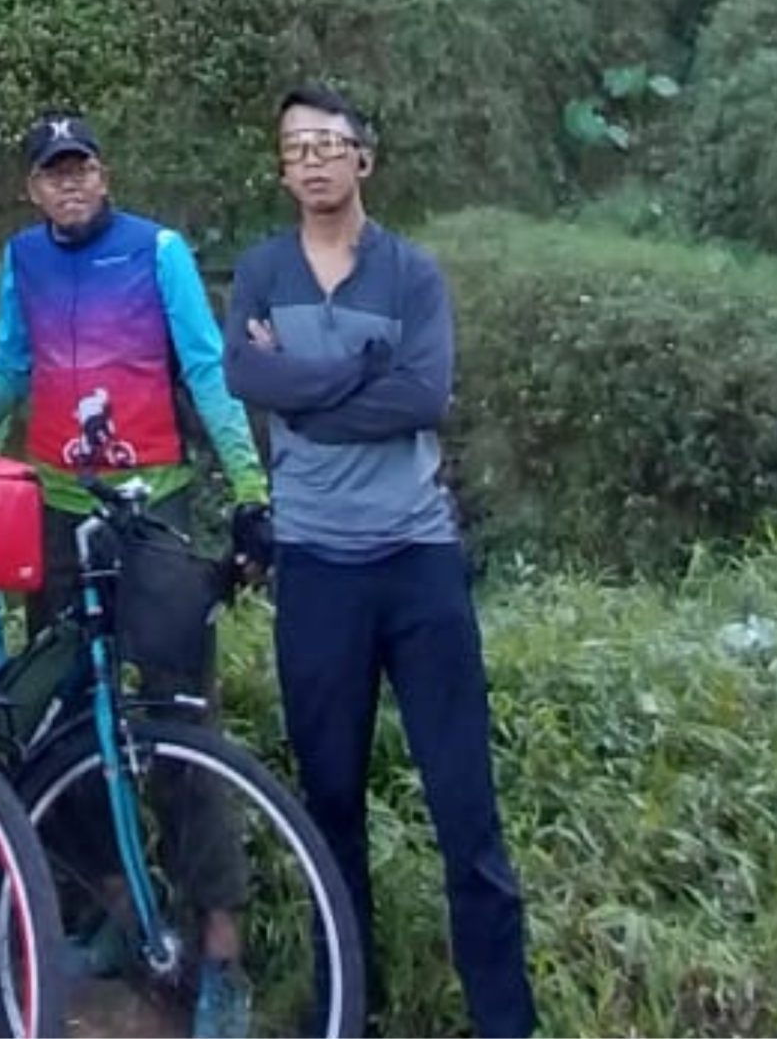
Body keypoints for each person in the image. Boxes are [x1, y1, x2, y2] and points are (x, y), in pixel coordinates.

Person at [0, 112, 271, 1036]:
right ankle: (115, 915)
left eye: (82, 169)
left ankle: (222, 958)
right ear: (35, 188)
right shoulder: (23, 258)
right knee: (57, 719)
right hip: (53, 513)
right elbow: (8, 370)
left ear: (104, 175)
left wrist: (249, 489)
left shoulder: (157, 252)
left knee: (179, 718)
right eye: (53, 174)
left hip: (151, 509)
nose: (70, 185)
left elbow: (207, 371)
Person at [223, 85, 537, 1037]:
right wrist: (356, 371)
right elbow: (245, 377)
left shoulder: (410, 274)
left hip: (417, 564)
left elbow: (422, 397)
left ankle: (503, 1021)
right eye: (295, 148)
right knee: (331, 809)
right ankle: (345, 1014)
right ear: (282, 169)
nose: (313, 160)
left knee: (465, 810)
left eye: (330, 144)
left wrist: (307, 396)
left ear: (365, 158)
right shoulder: (262, 271)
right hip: (316, 568)